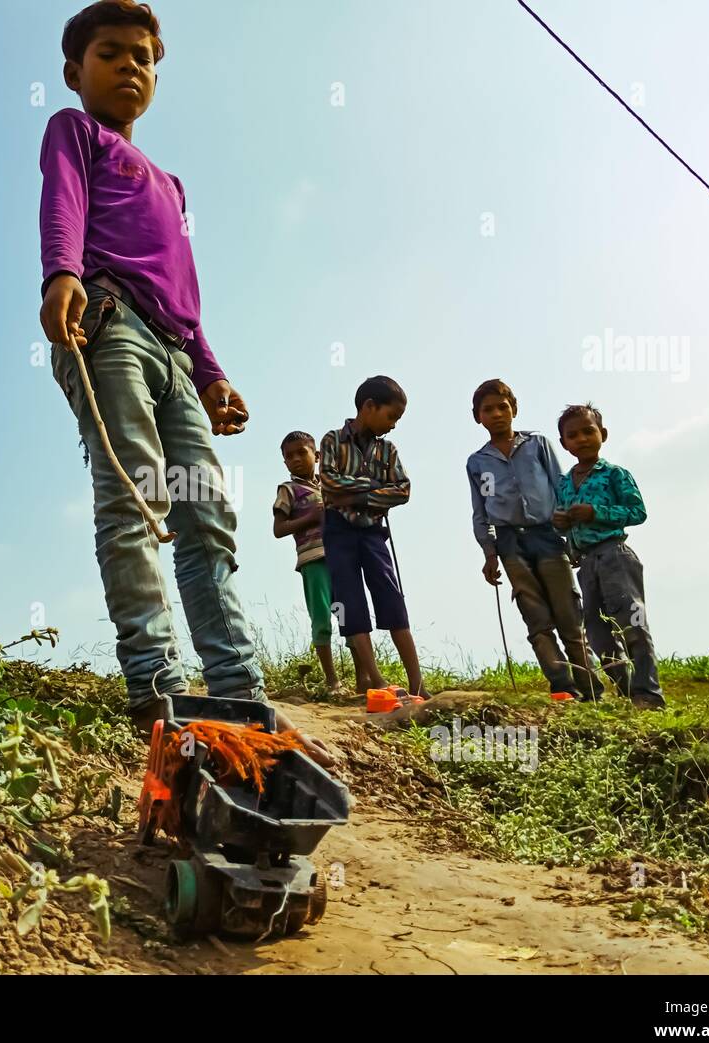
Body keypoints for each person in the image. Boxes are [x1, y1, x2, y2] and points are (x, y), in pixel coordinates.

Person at [38, 1, 334, 763]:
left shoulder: (171, 184)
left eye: (144, 57)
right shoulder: (77, 133)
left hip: (174, 347)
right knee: (137, 492)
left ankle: (236, 678)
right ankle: (156, 674)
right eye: (112, 53)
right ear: (76, 71)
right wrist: (62, 273)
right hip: (107, 322)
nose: (131, 65)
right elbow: (64, 201)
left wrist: (211, 370)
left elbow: (183, 285)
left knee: (207, 512)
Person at [466, 379, 604, 700]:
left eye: (503, 407)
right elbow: (481, 511)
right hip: (509, 544)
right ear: (478, 418)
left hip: (549, 534)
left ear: (514, 409)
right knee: (536, 619)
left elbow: (561, 487)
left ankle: (591, 688)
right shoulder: (478, 462)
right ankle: (562, 685)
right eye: (488, 410)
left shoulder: (537, 444)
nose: (497, 414)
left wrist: (571, 537)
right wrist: (489, 552)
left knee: (569, 613)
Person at [318, 376, 428, 698]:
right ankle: (377, 682)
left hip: (373, 533)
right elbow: (329, 482)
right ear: (369, 407)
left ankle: (417, 683)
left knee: (391, 597)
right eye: (391, 416)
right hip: (338, 531)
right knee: (349, 602)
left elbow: (403, 490)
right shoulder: (332, 440)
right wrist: (375, 488)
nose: (393, 426)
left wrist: (359, 495)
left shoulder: (388, 449)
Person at [554, 403, 666, 708]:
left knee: (632, 623)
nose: (582, 439)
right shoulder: (564, 483)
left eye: (589, 431)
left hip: (615, 555)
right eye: (573, 435)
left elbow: (637, 511)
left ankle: (648, 693)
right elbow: (563, 523)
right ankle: (629, 691)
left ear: (603, 434)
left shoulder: (615, 474)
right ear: (564, 444)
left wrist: (595, 512)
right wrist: (563, 525)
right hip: (586, 563)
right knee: (597, 633)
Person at [273, 431, 344, 694]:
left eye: (301, 453)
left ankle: (363, 678)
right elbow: (279, 529)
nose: (295, 460)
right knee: (322, 619)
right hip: (313, 560)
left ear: (317, 455)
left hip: (341, 558)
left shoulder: (330, 484)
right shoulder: (288, 490)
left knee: (349, 617)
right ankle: (332, 680)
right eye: (289, 456)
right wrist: (310, 519)